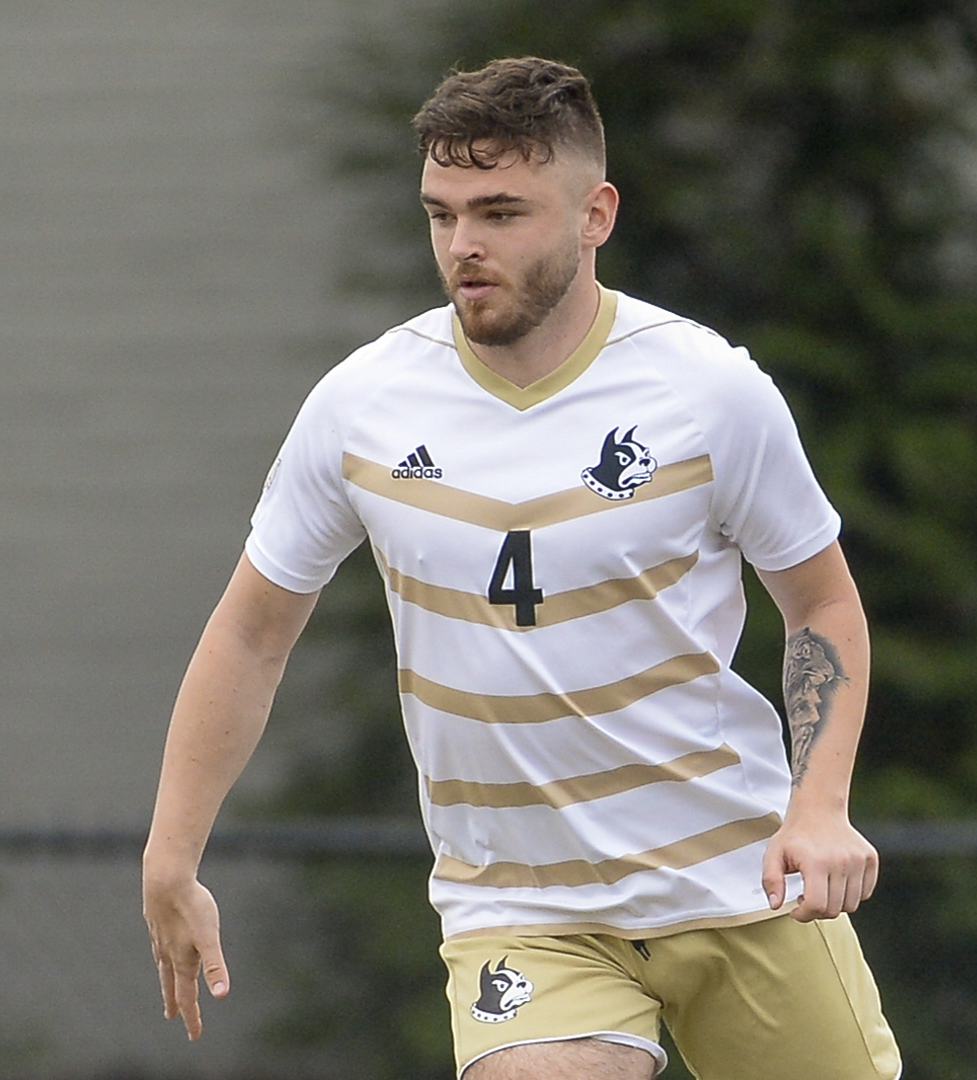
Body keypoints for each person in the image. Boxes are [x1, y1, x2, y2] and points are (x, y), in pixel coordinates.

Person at [142, 56, 902, 1080]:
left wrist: (817, 810)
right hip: (521, 912)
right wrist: (171, 856)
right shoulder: (364, 405)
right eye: (441, 214)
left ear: (596, 214)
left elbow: (821, 606)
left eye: (501, 212)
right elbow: (250, 631)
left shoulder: (711, 392)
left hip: (739, 879)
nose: (464, 246)